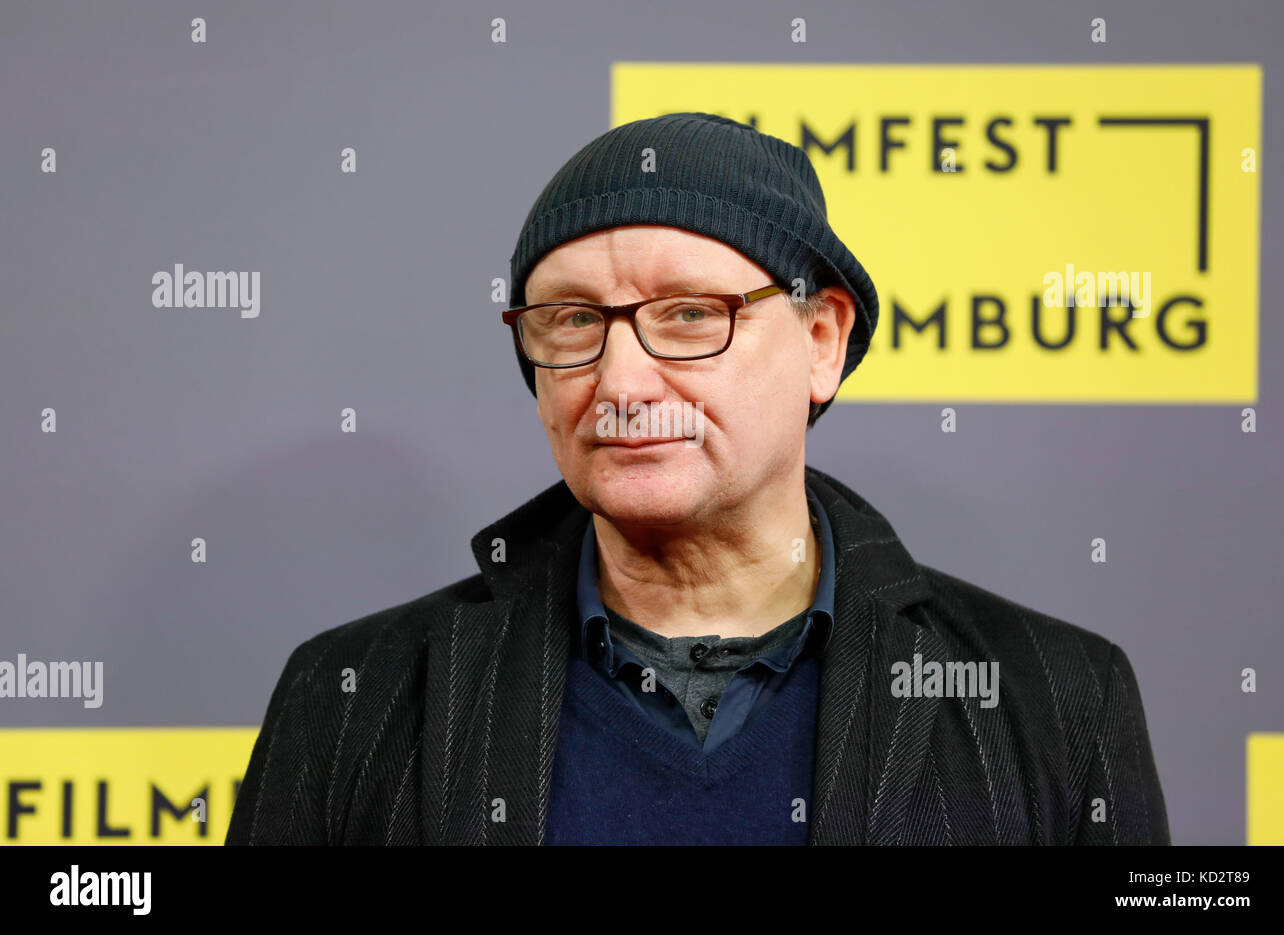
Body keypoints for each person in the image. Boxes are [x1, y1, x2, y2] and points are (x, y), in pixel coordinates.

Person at [227, 112, 1169, 845]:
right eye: (570, 320)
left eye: (688, 314)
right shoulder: (350, 694)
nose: (621, 379)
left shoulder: (1055, 699)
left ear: (821, 341)